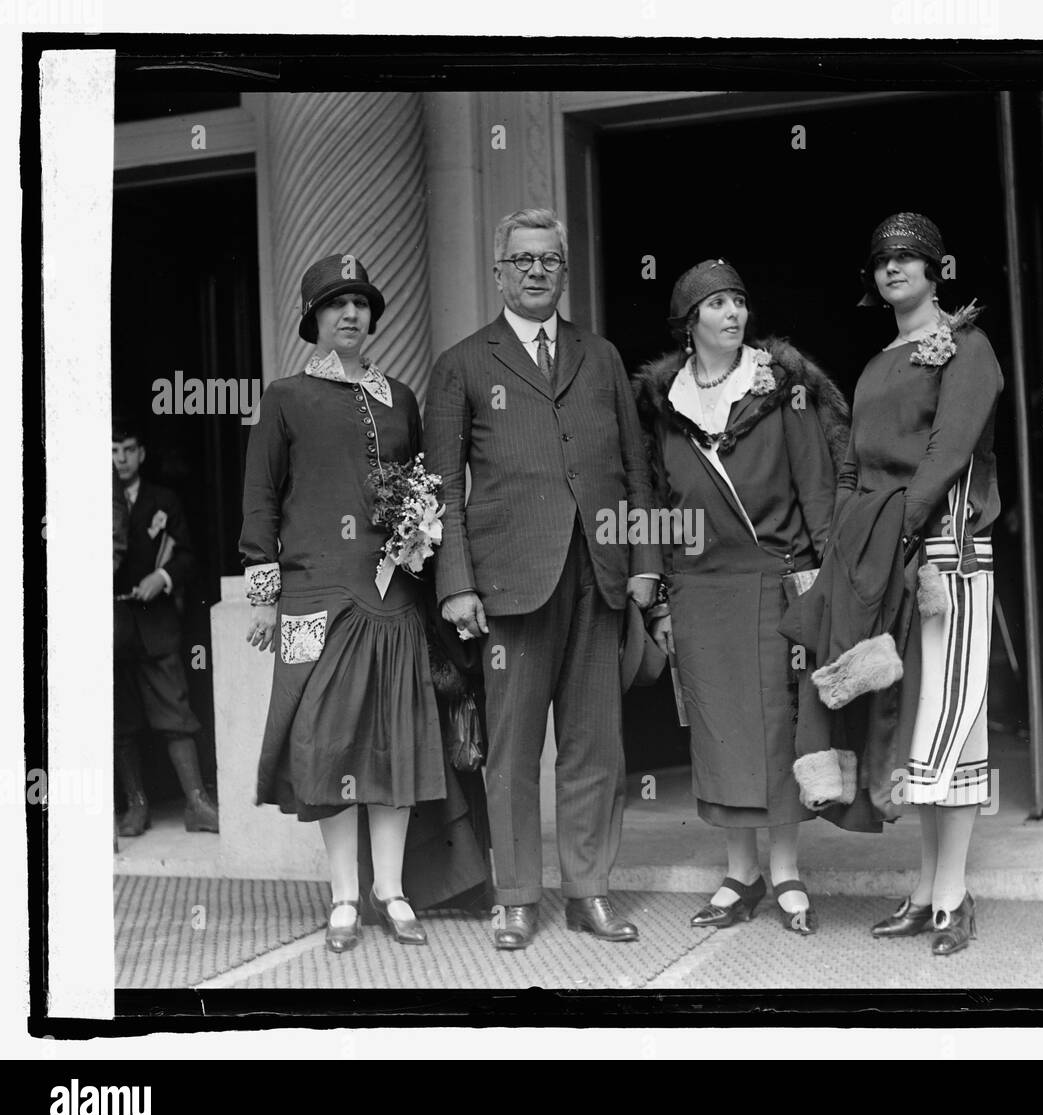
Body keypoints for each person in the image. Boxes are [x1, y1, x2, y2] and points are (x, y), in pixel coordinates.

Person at [425, 207, 661, 950]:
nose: (536, 271)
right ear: (500, 271)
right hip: (510, 584)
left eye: (549, 260)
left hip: (599, 577)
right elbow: (440, 487)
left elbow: (634, 469)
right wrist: (456, 582)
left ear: (564, 271)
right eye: (522, 259)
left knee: (598, 747)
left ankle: (589, 890)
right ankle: (518, 895)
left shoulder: (603, 356)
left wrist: (647, 562)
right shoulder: (464, 363)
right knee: (514, 748)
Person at [240, 253, 486, 954]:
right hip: (316, 598)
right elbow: (259, 498)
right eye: (335, 304)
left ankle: (392, 890)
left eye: (361, 303)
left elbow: (422, 488)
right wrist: (264, 597)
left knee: (396, 746)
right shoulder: (284, 396)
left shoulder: (400, 398)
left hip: (393, 599)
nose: (351, 314)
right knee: (326, 748)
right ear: (314, 319)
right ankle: (344, 897)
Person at [631, 259, 849, 935]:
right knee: (720, 733)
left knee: (775, 728)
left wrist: (824, 585)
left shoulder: (782, 389)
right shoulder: (664, 402)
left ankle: (785, 871)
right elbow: (659, 505)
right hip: (698, 592)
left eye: (739, 303)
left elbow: (816, 487)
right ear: (689, 322)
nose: (734, 314)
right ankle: (739, 872)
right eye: (718, 304)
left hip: (772, 581)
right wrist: (662, 600)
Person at [839, 212, 1003, 956]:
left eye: (908, 257)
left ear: (936, 269)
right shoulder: (878, 363)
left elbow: (947, 451)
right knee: (915, 725)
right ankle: (924, 889)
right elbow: (855, 460)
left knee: (951, 720)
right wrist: (852, 533)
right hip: (890, 550)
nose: (893, 267)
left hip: (945, 551)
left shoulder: (965, 346)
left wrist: (901, 530)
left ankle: (952, 898)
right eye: (882, 259)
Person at [112, 424, 219, 837]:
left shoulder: (164, 500)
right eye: (113, 451)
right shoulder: (92, 498)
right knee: (121, 718)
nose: (120, 458)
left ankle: (196, 802)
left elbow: (189, 556)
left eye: (128, 449)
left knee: (175, 711)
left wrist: (163, 576)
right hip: (114, 622)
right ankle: (136, 806)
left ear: (141, 453)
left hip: (156, 622)